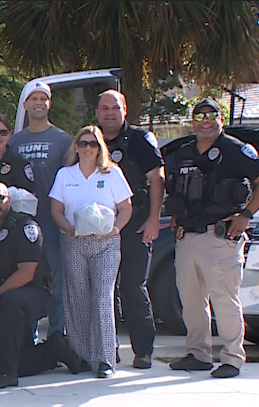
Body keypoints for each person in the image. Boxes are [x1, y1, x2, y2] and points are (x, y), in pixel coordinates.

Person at [165, 98, 259, 378]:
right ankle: (198, 354)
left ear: (221, 119)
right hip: (186, 236)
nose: (205, 120)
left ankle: (232, 357)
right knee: (190, 300)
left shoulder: (236, 150)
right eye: (199, 115)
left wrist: (246, 215)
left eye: (211, 115)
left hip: (220, 237)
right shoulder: (184, 152)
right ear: (192, 121)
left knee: (224, 298)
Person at [0, 182, 72, 388]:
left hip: (34, 293)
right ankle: (53, 349)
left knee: (9, 301)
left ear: (8, 200)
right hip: (1, 296)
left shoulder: (25, 227)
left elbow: (27, 273)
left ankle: (6, 373)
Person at [50, 126, 133, 379]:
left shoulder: (112, 174)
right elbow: (55, 210)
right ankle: (84, 355)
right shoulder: (65, 174)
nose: (88, 148)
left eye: (93, 144)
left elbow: (126, 208)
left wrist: (113, 230)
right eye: (83, 143)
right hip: (73, 241)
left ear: (100, 148)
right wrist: (69, 229)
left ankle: (105, 358)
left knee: (102, 297)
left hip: (105, 244)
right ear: (76, 146)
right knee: (77, 299)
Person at [95, 89, 164, 370]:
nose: (109, 113)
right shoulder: (92, 140)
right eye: (104, 108)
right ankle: (108, 348)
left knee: (132, 288)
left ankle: (143, 351)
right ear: (97, 112)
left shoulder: (140, 139)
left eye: (115, 108)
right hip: (101, 225)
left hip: (136, 223)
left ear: (125, 110)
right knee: (104, 289)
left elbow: (157, 178)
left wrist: (154, 219)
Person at [8, 80, 74, 344]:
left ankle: (57, 336)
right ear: (25, 105)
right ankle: (28, 338)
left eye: (43, 99)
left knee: (59, 280)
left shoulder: (63, 140)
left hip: (52, 221)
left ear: (49, 104)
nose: (39, 103)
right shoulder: (15, 141)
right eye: (33, 99)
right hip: (23, 224)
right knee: (26, 280)